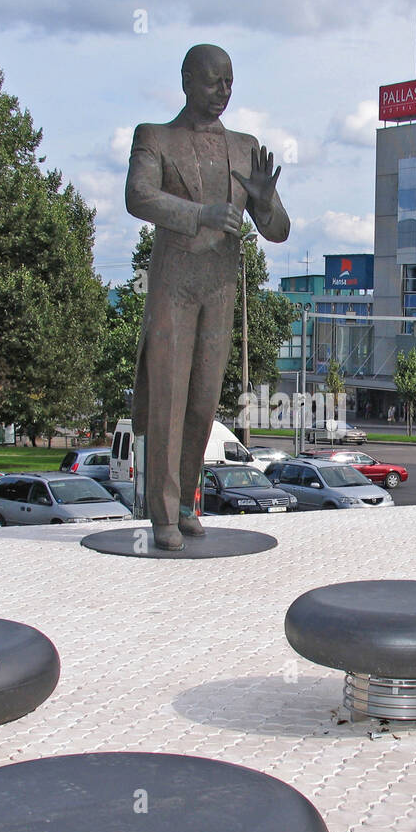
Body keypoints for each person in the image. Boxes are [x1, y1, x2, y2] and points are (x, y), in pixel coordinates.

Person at [126, 44, 290, 550]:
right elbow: (138, 196)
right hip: (174, 287)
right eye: (214, 81)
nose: (224, 92)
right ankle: (162, 514)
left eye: (230, 82)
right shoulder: (155, 137)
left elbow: (280, 229)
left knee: (202, 405)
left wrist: (263, 203)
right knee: (168, 404)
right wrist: (199, 215)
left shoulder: (245, 147)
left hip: (219, 290)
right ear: (186, 81)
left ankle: (185, 501)